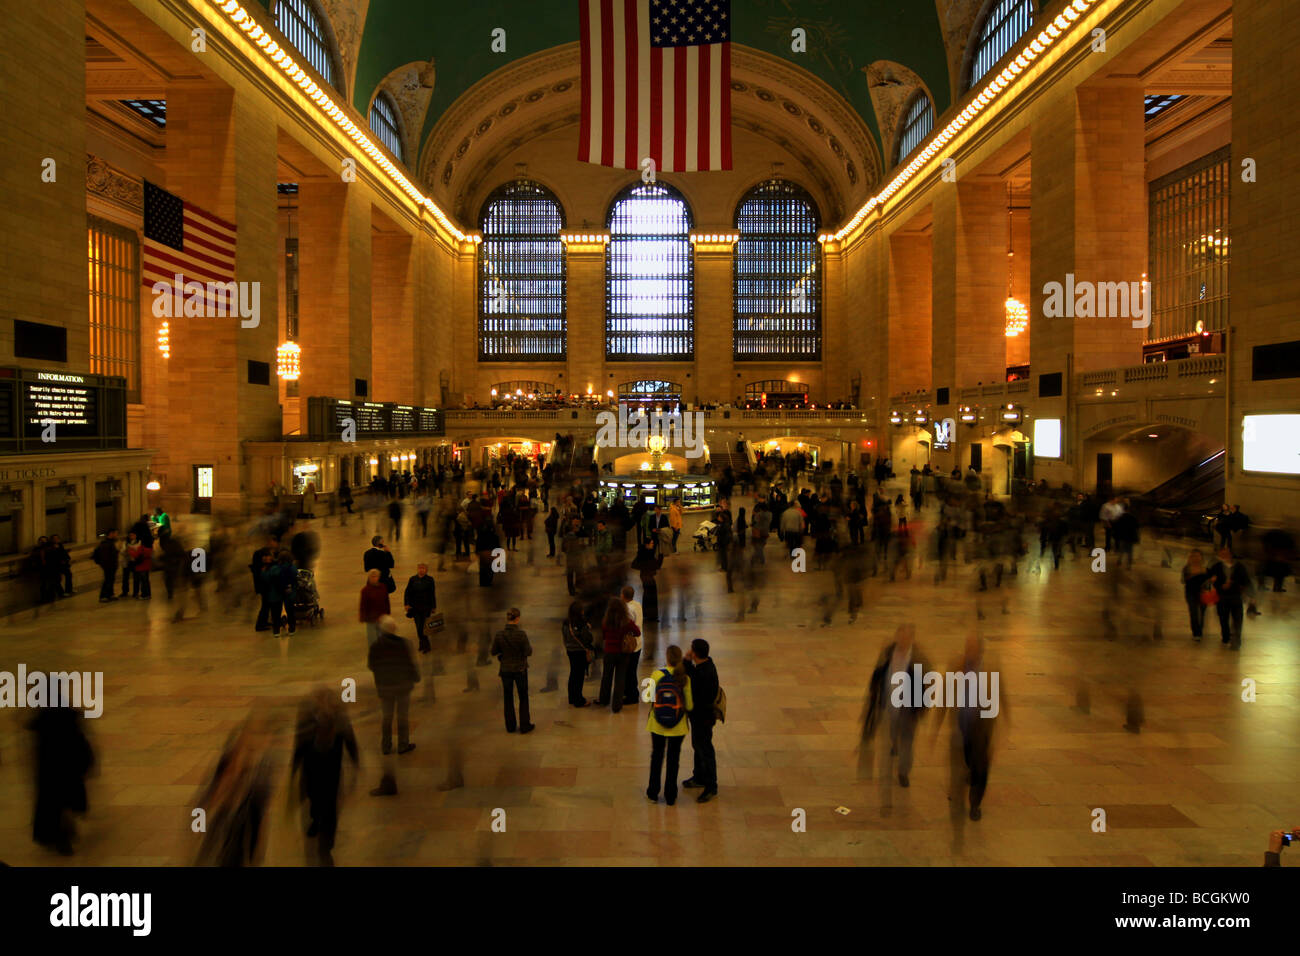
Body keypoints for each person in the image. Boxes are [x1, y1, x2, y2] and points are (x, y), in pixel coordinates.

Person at [290, 687, 360, 866]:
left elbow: (350, 740)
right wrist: (294, 768)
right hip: (311, 770)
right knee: (314, 799)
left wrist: (355, 760)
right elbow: (299, 745)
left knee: (330, 810)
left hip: (331, 774)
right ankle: (315, 820)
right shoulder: (307, 720)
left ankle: (325, 846)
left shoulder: (340, 720)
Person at [30, 706, 96, 856]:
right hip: (65, 765)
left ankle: (59, 834)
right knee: (63, 799)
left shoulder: (46, 716)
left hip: (52, 767)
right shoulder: (64, 713)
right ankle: (62, 834)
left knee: (54, 802)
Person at [645, 644, 694, 806]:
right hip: (678, 726)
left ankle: (653, 792)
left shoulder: (657, 674)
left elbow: (649, 698)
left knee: (657, 757)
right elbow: (690, 706)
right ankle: (670, 795)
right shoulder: (684, 678)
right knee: (674, 759)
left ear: (666, 658)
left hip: (657, 724)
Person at [368, 616, 419, 754]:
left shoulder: (375, 646)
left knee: (387, 717)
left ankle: (386, 745)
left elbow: (371, 666)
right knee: (402, 716)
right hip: (402, 686)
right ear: (394, 628)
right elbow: (410, 663)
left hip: (385, 687)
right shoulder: (404, 644)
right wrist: (415, 677)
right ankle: (403, 745)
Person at [681, 638, 719, 803]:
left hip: (702, 717)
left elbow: (690, 679)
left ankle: (711, 785)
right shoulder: (706, 665)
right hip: (700, 717)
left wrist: (686, 661)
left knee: (705, 750)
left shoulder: (703, 673)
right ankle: (699, 776)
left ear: (695, 653)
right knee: (698, 746)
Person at [490, 607, 534, 733]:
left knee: (508, 697)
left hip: (505, 670)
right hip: (520, 669)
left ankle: (510, 726)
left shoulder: (499, 635)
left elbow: (493, 651)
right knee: (523, 697)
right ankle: (525, 725)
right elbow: (528, 651)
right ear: (517, 618)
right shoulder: (521, 634)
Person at [598, 597, 640, 714]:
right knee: (620, 679)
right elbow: (638, 632)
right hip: (622, 653)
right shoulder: (627, 622)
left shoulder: (606, 621)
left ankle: (604, 699)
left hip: (609, 652)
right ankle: (616, 705)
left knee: (606, 676)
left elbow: (604, 636)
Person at [1209, 547, 1253, 649]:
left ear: (1231, 554)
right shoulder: (1216, 567)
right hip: (1222, 598)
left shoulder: (1239, 567)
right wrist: (1219, 584)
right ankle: (1226, 636)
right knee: (1223, 619)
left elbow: (1246, 581)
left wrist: (1251, 596)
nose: (1224, 556)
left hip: (1236, 597)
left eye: (1226, 554)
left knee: (1238, 619)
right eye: (1222, 554)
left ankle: (1236, 641)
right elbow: (1210, 578)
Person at [561, 601, 595, 707]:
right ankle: (579, 700)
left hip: (570, 651)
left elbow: (565, 637)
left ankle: (572, 697)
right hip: (580, 652)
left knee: (573, 674)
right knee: (579, 676)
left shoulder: (566, 622)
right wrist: (588, 629)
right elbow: (588, 638)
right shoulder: (582, 623)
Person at [403, 563, 437, 653]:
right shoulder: (413, 579)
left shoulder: (430, 580)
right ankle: (422, 643)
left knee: (424, 627)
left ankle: (426, 645)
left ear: (426, 570)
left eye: (423, 568)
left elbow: (432, 594)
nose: (421, 570)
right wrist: (406, 604)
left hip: (426, 607)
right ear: (417, 569)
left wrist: (433, 606)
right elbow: (407, 592)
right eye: (420, 568)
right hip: (415, 607)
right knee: (419, 627)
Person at [1180, 549, 1212, 640]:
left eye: (1198, 556)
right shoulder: (1186, 569)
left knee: (1202, 613)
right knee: (1193, 612)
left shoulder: (1206, 569)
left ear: (1201, 557)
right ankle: (1196, 632)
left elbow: (1209, 582)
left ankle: (1200, 630)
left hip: (1203, 593)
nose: (1196, 558)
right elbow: (1183, 580)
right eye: (1194, 556)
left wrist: (1207, 589)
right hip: (1190, 593)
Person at [621, 585, 645, 707]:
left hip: (631, 644)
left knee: (629, 671)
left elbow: (627, 626)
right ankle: (630, 692)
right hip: (638, 642)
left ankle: (632, 695)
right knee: (632, 669)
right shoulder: (637, 605)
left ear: (623, 595)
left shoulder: (628, 609)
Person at [359, 569, 391, 645]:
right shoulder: (365, 590)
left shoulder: (383, 587)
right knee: (372, 639)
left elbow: (386, 601)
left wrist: (388, 613)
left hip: (382, 617)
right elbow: (363, 605)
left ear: (378, 577)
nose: (374, 578)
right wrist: (362, 616)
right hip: (371, 619)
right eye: (372, 576)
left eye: (375, 576)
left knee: (382, 637)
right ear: (369, 578)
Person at [93, 530, 119, 603]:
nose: (117, 535)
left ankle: (110, 594)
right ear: (111, 534)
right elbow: (106, 556)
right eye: (116, 534)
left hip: (111, 565)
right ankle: (103, 596)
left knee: (111, 580)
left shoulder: (111, 543)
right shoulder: (106, 544)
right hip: (108, 565)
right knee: (108, 580)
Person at [128, 532, 153, 599]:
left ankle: (144, 595)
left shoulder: (141, 548)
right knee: (146, 581)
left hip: (141, 567)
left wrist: (130, 551)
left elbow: (136, 555)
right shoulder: (150, 548)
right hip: (147, 566)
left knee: (143, 581)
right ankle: (148, 594)